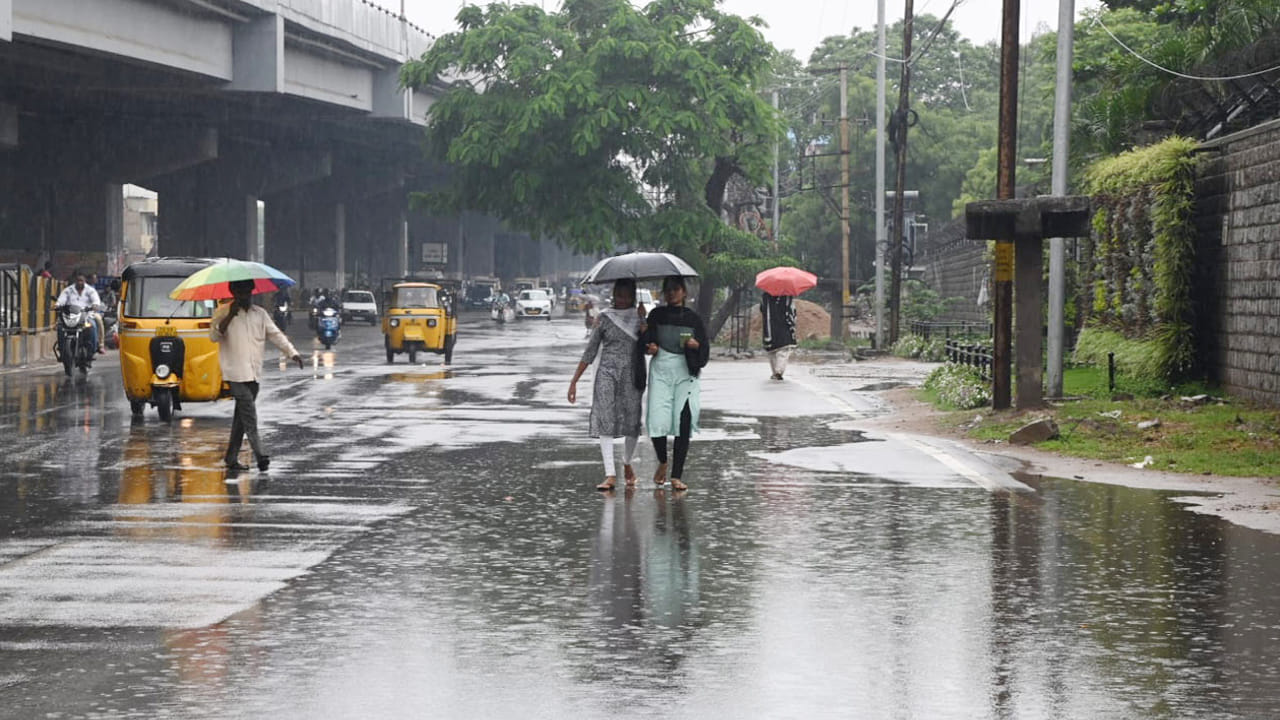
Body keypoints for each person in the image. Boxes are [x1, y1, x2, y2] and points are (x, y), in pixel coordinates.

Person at [210, 279, 303, 473]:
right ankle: (260, 455)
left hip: (254, 374)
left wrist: (292, 353)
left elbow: (275, 334)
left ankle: (231, 457)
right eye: (241, 293)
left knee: (241, 418)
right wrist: (229, 316)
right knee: (249, 415)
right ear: (233, 293)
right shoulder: (222, 313)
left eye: (248, 293)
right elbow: (214, 336)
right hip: (235, 374)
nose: (245, 297)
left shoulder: (260, 314)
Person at [568, 279, 647, 491]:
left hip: (632, 375)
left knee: (632, 423)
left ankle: (627, 462)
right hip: (606, 373)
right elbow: (590, 351)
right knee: (605, 419)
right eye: (618, 295)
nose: (621, 299)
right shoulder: (604, 318)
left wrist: (644, 324)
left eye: (626, 295)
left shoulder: (639, 318)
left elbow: (648, 348)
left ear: (632, 296)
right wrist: (574, 381)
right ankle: (610, 474)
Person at [641, 276, 709, 492]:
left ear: (684, 292)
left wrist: (696, 345)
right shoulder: (656, 315)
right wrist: (647, 340)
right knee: (657, 418)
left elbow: (704, 350)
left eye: (676, 289)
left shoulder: (694, 319)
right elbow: (646, 343)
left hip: (685, 372)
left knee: (683, 421)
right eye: (668, 290)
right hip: (661, 369)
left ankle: (677, 475)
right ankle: (662, 460)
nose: (671, 293)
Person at [55, 272, 102, 354]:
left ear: (85, 281)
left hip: (86, 316)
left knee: (93, 326)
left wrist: (95, 305)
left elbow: (96, 300)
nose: (80, 282)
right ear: (75, 281)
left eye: (81, 280)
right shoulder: (68, 290)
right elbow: (61, 300)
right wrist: (57, 305)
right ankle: (62, 348)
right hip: (70, 317)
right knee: (60, 327)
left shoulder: (90, 290)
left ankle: (94, 348)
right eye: (78, 280)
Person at [761, 291, 797, 380]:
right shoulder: (787, 297)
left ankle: (775, 372)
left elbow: (762, 310)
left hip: (769, 329)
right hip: (783, 328)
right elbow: (791, 312)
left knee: (772, 352)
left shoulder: (765, 297)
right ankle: (778, 371)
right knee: (783, 351)